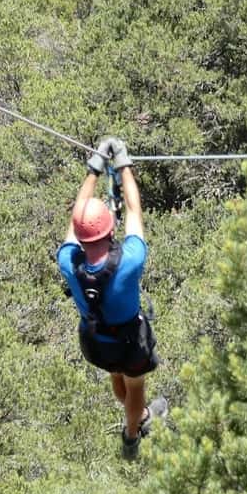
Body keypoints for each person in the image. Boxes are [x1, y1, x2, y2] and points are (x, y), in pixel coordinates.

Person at [57, 137, 164, 460]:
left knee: (118, 375)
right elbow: (134, 209)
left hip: (96, 342)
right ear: (109, 229)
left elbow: (77, 223)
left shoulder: (68, 263)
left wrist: (93, 169)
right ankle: (132, 434)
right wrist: (123, 164)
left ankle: (139, 416)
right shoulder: (129, 261)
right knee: (135, 386)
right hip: (130, 342)